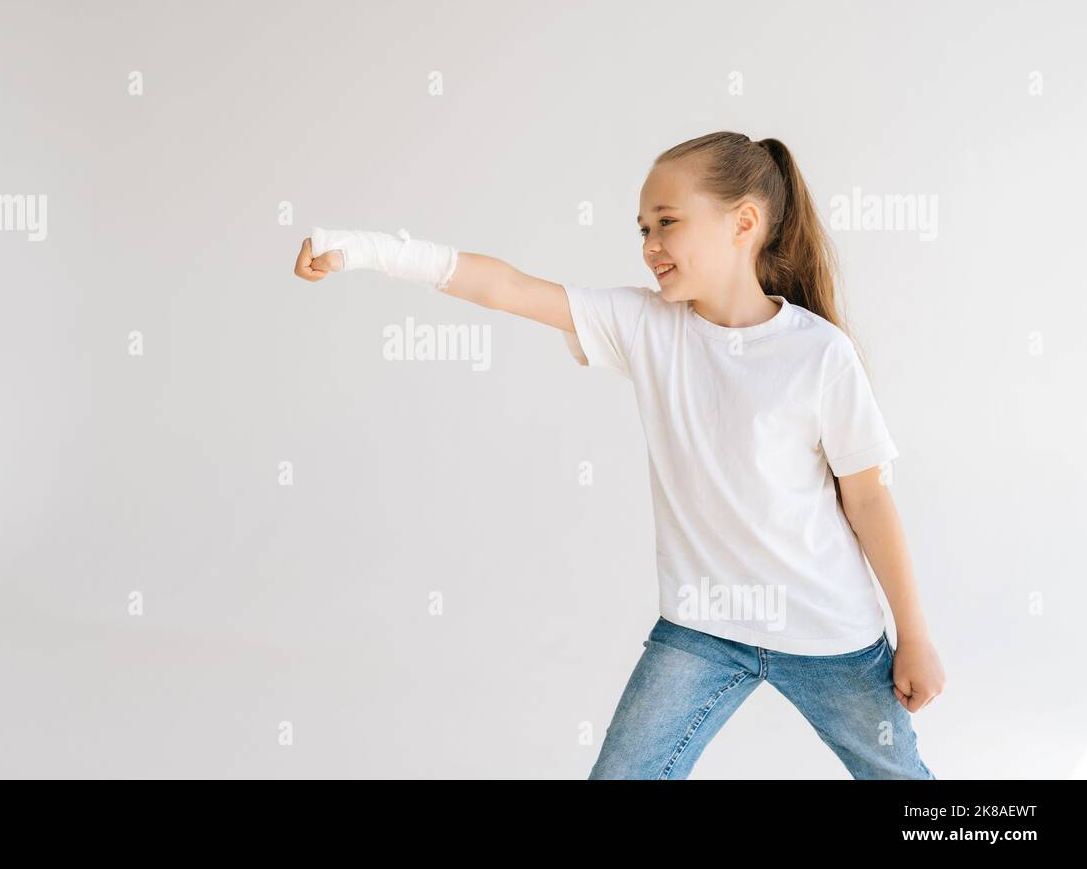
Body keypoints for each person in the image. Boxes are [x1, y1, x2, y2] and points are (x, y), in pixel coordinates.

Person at [292, 130, 944, 779]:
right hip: (704, 630)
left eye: (668, 223)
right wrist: (366, 251)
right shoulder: (645, 325)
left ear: (743, 223)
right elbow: (506, 287)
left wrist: (912, 638)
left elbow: (867, 498)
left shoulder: (819, 354)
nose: (650, 247)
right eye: (643, 229)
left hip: (827, 632)